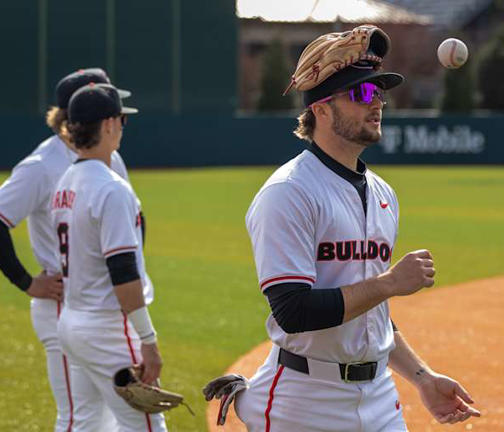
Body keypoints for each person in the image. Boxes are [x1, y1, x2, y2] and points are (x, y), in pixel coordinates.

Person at [204, 25, 480, 431]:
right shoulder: (289, 192)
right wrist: (389, 283)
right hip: (304, 401)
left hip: (380, 397)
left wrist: (422, 377)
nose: (377, 103)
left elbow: (370, 313)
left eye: (379, 92)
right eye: (361, 93)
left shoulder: (384, 193)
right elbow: (293, 310)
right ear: (320, 108)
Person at [0, 68, 134, 431]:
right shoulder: (42, 164)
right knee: (81, 416)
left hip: (104, 304)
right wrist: (26, 282)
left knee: (109, 416)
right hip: (64, 304)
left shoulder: (109, 156)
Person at [51, 83, 166, 431]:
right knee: (146, 425)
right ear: (109, 125)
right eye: (120, 120)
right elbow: (123, 274)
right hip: (107, 328)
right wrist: (148, 340)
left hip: (72, 321)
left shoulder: (65, 182)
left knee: (86, 424)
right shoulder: (112, 188)